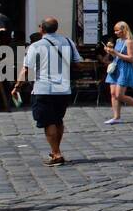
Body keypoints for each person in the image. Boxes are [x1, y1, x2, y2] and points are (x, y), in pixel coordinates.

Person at [11, 17, 81, 166]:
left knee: (48, 121)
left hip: (43, 89)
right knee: (58, 120)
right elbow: (77, 63)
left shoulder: (35, 46)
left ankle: (56, 154)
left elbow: (26, 69)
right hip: (63, 89)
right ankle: (56, 150)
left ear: (41, 28)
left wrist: (17, 86)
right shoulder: (68, 42)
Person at [103, 21, 133, 125]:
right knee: (113, 94)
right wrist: (110, 52)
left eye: (117, 30)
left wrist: (115, 53)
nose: (115, 32)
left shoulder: (129, 42)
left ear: (124, 30)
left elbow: (131, 58)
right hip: (116, 68)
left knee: (119, 95)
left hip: (124, 68)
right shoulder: (118, 41)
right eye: (115, 30)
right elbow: (117, 56)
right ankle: (116, 117)